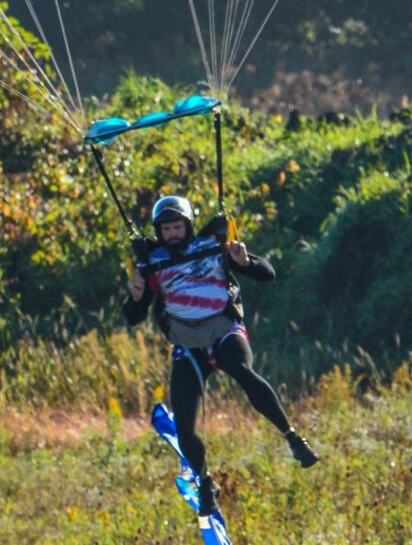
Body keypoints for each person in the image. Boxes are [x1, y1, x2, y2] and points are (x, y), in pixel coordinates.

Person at [124, 194, 318, 515]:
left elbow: (267, 273)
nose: (172, 234)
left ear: (187, 226)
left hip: (224, 332)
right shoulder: (151, 265)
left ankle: (293, 437)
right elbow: (134, 316)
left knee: (242, 371)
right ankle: (205, 483)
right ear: (159, 232)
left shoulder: (212, 247)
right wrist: (135, 297)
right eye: (166, 229)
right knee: (185, 426)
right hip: (188, 348)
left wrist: (244, 263)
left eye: (177, 227)